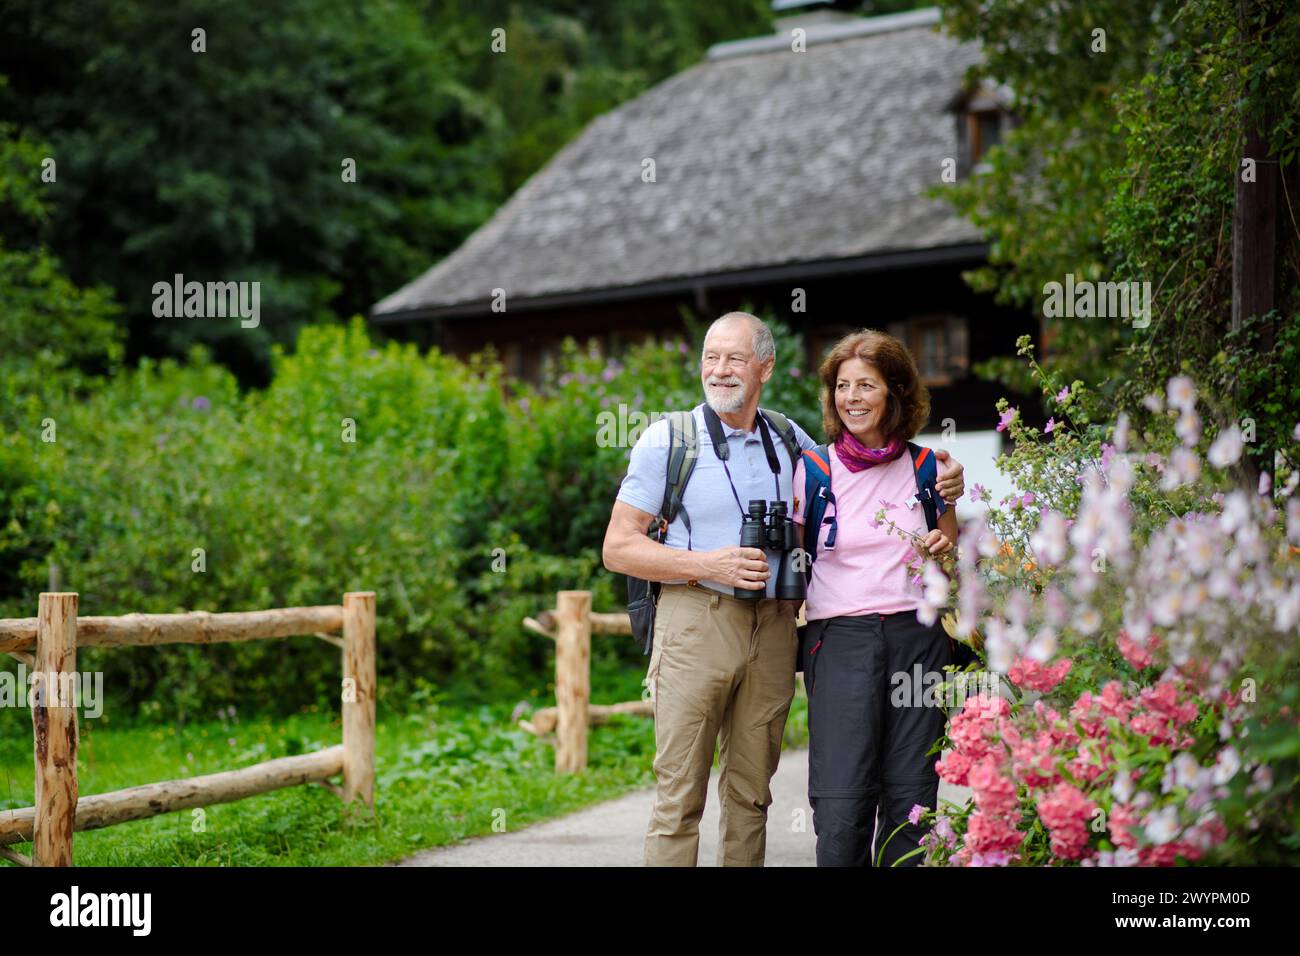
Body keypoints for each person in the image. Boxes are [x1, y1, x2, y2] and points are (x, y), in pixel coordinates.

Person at [602, 313, 965, 866]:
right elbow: (618, 548)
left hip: (772, 626)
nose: (719, 370)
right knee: (680, 795)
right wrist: (712, 563)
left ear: (764, 368)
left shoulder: (790, 441)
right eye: (710, 357)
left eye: (735, 358)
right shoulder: (667, 440)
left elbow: (862, 473)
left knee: (752, 794)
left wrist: (946, 483)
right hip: (696, 617)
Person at [793, 328, 960, 867]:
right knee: (842, 799)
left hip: (919, 638)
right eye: (842, 386)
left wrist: (943, 546)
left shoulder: (929, 467)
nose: (852, 398)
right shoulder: (813, 470)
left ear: (896, 393)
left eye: (866, 385)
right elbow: (792, 562)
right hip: (838, 642)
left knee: (912, 793)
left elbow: (951, 556)